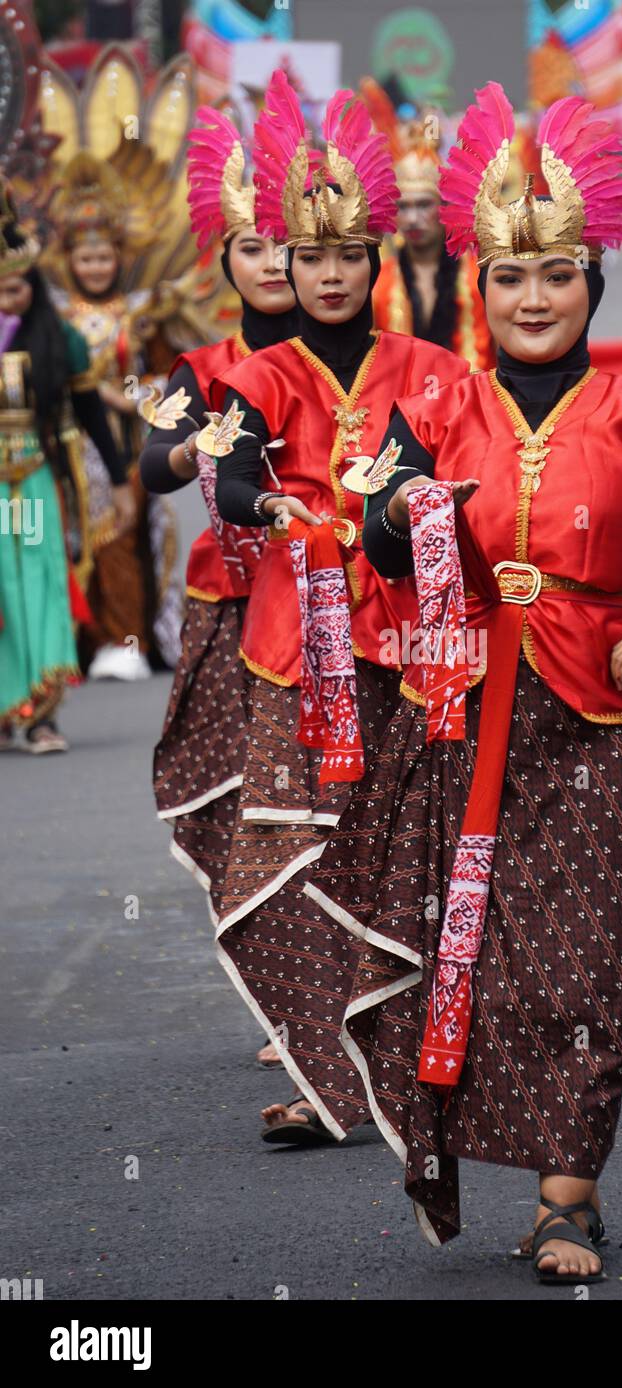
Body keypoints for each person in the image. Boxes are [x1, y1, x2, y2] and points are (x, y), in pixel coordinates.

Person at [299, 83, 622, 1281]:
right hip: (464, 721)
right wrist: (398, 509)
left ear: (591, 284)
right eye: (510, 279)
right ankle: (456, 1146)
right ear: (478, 288)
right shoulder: (434, 409)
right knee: (472, 954)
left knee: (591, 963)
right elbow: (372, 537)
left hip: (614, 730)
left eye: (558, 276)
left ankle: (563, 1199)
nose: (533, 299)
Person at [204, 74, 470, 1107]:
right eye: (304, 256)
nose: (321, 273)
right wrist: (271, 509)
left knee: (393, 849)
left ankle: (374, 1063)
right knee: (281, 857)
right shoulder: (259, 377)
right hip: (296, 642)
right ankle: (321, 1061)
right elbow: (230, 475)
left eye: (342, 256)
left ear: (373, 262)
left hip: (408, 643)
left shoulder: (430, 366)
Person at [138, 107, 298, 932]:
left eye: (284, 243)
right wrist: (203, 440)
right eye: (251, 247)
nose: (272, 263)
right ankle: (283, 986)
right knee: (250, 801)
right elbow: (150, 466)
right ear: (226, 260)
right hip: (234, 612)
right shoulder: (201, 369)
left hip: (336, 610)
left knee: (332, 805)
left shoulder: (354, 358)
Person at [0, 191, 130, 752]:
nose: (8, 300)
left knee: (36, 582)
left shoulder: (59, 339)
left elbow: (91, 415)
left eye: (15, 288)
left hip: (28, 486)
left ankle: (42, 711)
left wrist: (122, 480)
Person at [49, 152, 183, 679]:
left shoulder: (141, 314)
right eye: (86, 260)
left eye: (104, 258)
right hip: (67, 446)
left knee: (122, 536)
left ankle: (128, 640)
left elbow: (172, 375)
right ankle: (78, 646)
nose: (96, 268)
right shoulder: (55, 317)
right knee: (69, 539)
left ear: (119, 256)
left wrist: (127, 396)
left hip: (124, 444)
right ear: (70, 262)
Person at [372, 121, 494, 370]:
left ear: (445, 207)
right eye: (403, 207)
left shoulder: (478, 277)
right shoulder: (379, 283)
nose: (413, 219)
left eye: (424, 205)